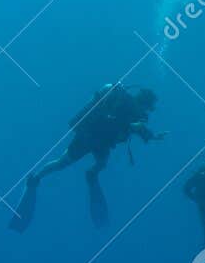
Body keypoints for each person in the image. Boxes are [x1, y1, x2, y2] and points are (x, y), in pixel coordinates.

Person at [10, 83, 165, 232]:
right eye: (148, 107)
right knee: (62, 163)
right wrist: (131, 126)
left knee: (101, 164)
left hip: (103, 142)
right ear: (143, 102)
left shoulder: (136, 113)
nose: (148, 111)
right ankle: (35, 178)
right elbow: (112, 121)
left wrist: (152, 136)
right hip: (88, 137)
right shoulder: (123, 101)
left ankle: (91, 174)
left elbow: (138, 129)